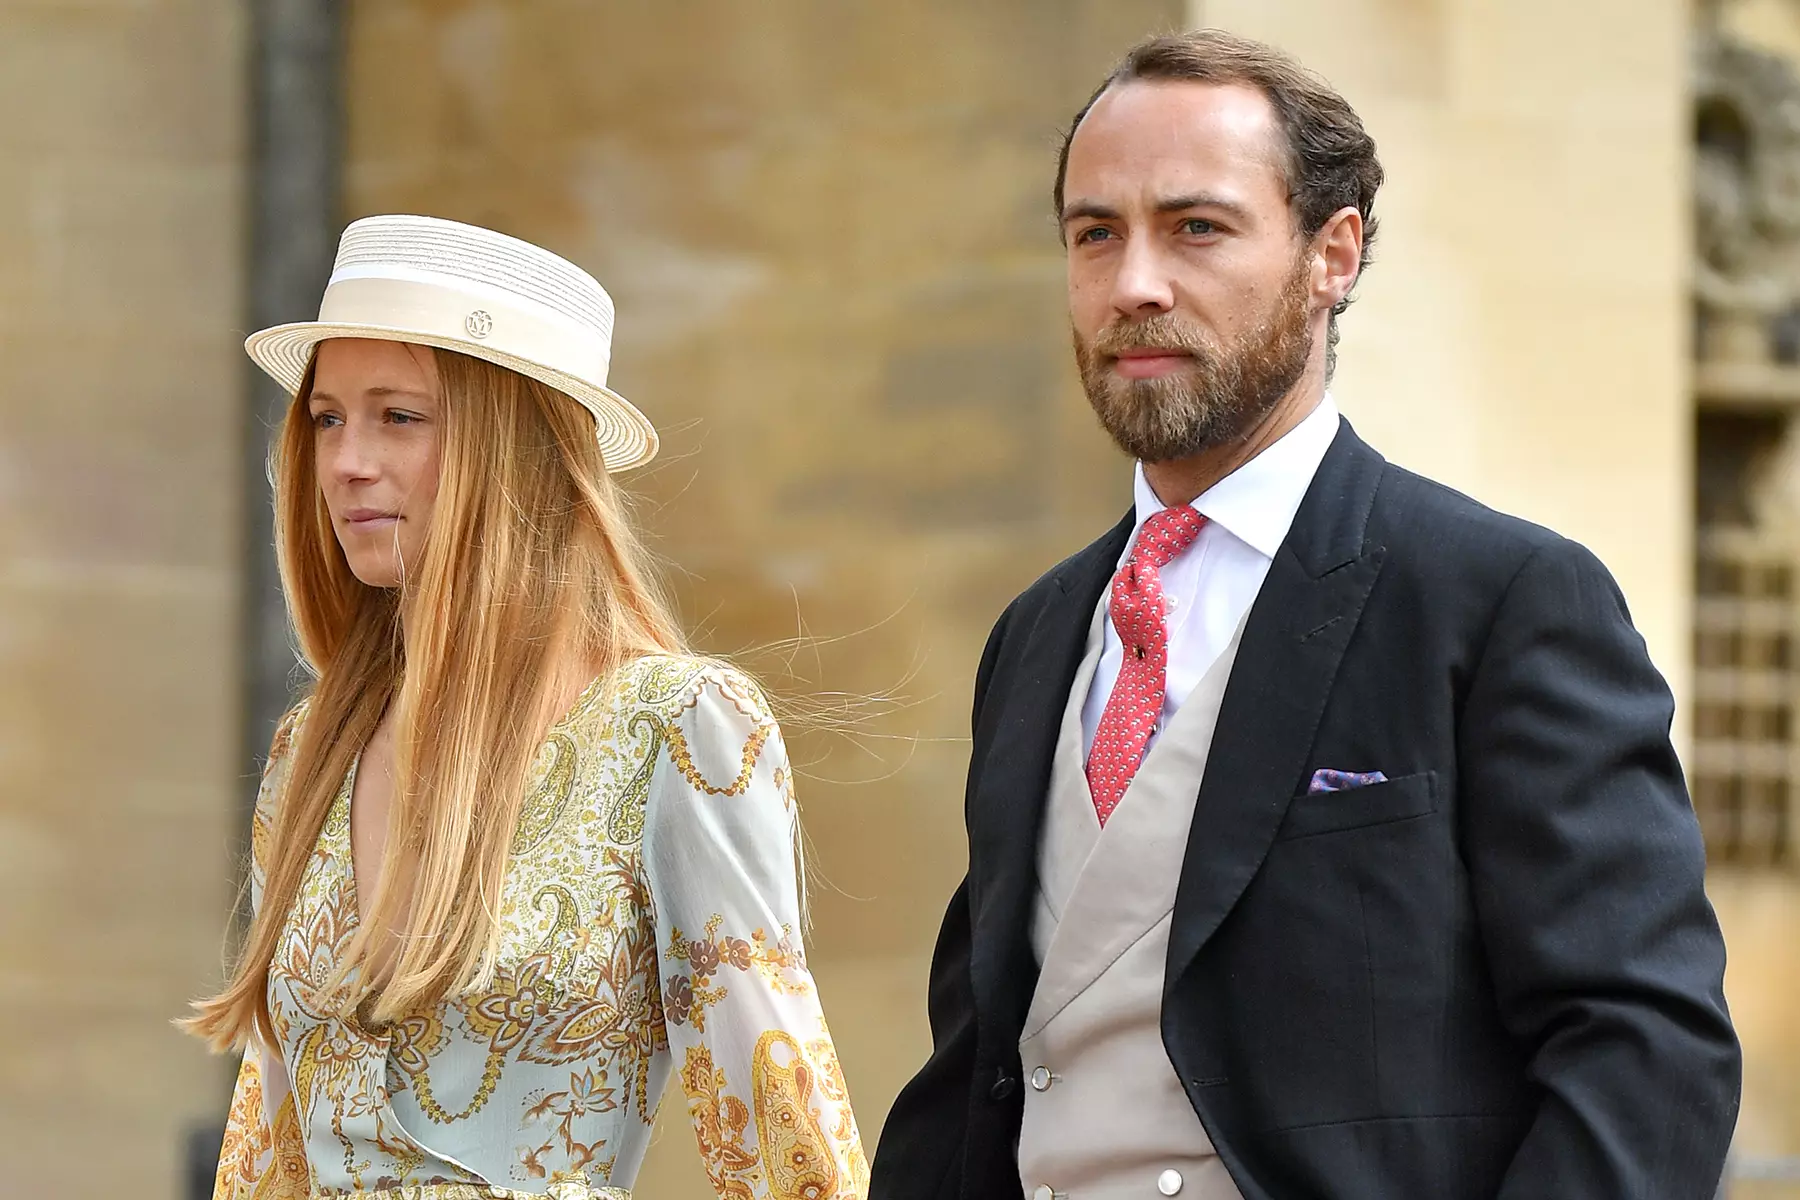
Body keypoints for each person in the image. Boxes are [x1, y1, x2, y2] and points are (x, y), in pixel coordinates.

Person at [870, 29, 1739, 1200]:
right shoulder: (1034, 635)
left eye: (1197, 227)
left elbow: (1646, 1057)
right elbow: (979, 1070)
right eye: (1095, 234)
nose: (1134, 284)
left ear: (1334, 254)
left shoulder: (1502, 600)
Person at [182, 214, 869, 1200]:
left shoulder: (677, 733)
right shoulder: (310, 751)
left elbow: (782, 1134)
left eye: (399, 417)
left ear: (522, 449)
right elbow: (265, 1150)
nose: (345, 462)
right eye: (328, 417)